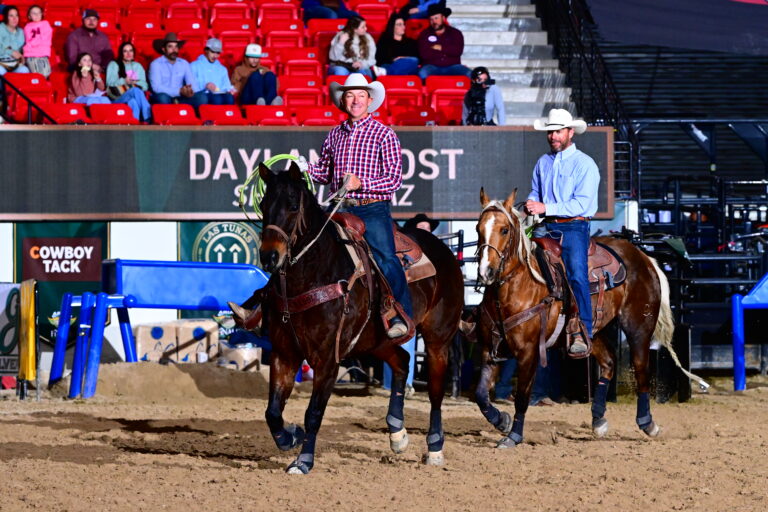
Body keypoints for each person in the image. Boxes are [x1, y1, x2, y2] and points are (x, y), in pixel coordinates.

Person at [300, 73, 412, 339]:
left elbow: (394, 179)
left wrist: (361, 183)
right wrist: (305, 169)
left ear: (369, 100)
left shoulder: (384, 134)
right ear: (343, 101)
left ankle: (401, 315)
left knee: (386, 258)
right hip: (339, 208)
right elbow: (325, 172)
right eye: (350, 95)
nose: (355, 100)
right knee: (310, 251)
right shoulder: (335, 134)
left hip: (371, 208)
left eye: (360, 95)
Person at [525, 108, 600, 355]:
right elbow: (536, 191)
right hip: (547, 225)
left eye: (558, 132)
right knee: (517, 262)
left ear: (570, 132)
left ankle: (583, 331)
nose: (553, 136)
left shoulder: (585, 164)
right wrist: (531, 202)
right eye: (550, 132)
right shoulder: (543, 162)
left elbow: (582, 204)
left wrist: (545, 207)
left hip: (574, 226)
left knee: (577, 274)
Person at [148, 32, 206, 110]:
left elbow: (191, 83)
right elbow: (157, 88)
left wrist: (190, 91)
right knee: (162, 98)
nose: (174, 50)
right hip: (165, 96)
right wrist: (179, 91)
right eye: (170, 47)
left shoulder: (184, 63)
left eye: (176, 47)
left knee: (202, 97)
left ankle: (178, 106)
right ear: (164, 49)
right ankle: (174, 107)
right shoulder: (156, 64)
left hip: (181, 97)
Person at [416, 4, 470, 80]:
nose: (434, 21)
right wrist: (448, 51)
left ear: (443, 18)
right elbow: (424, 54)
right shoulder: (424, 34)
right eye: (431, 19)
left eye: (436, 18)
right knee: (423, 73)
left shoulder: (455, 33)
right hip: (431, 67)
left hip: (453, 67)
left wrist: (441, 47)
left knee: (470, 74)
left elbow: (457, 51)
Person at [106, 42, 151, 122]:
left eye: (131, 51)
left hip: (132, 96)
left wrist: (132, 83)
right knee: (135, 90)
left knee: (133, 102)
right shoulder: (114, 64)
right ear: (121, 53)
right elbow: (109, 83)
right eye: (125, 51)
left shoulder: (137, 66)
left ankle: (134, 123)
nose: (128, 54)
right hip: (117, 97)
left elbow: (144, 85)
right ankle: (148, 117)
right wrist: (124, 81)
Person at [190, 37, 235, 106]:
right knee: (217, 99)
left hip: (218, 94)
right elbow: (192, 86)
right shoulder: (194, 66)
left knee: (229, 98)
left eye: (218, 53)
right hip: (203, 95)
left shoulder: (222, 69)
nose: (215, 55)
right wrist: (205, 86)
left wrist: (230, 90)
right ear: (206, 50)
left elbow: (226, 86)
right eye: (213, 52)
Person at [22, 5, 51, 77]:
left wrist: (33, 44)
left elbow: (45, 39)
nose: (37, 15)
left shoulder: (45, 24)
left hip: (42, 54)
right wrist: (30, 46)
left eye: (39, 13)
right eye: (34, 13)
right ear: (29, 16)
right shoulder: (27, 27)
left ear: (42, 14)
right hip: (30, 54)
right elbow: (27, 41)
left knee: (45, 74)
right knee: (36, 75)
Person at [0, 5, 30, 75]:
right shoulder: (1, 29)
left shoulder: (21, 32)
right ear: (6, 17)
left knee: (25, 70)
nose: (15, 18)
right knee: (1, 71)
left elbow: (22, 49)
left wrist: (22, 56)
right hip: (1, 62)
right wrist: (11, 52)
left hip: (14, 63)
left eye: (16, 15)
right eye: (11, 16)